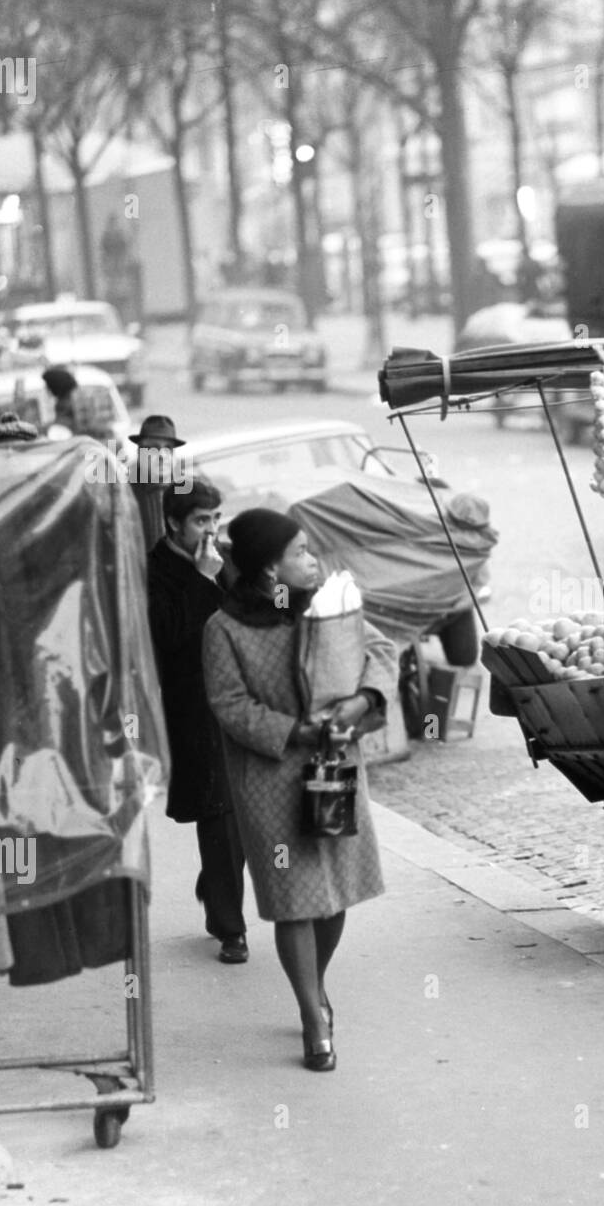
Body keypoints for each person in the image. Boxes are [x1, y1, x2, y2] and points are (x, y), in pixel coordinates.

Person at [202, 509, 397, 1071]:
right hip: (269, 779)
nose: (313, 561)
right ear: (269, 567)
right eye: (301, 552)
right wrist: (296, 730)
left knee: (332, 894)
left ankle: (316, 986)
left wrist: (363, 702)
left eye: (311, 551)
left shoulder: (329, 605)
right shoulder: (224, 629)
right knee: (294, 900)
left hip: (333, 764)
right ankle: (313, 1017)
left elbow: (379, 653)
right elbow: (230, 705)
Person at [147, 476, 250, 964]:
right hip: (193, 706)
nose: (211, 530)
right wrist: (202, 582)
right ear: (173, 523)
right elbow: (168, 638)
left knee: (243, 811)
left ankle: (216, 883)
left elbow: (255, 609)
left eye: (216, 518)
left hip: (243, 703)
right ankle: (231, 928)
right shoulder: (156, 570)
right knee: (218, 810)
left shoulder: (227, 557)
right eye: (200, 521)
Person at [129, 414, 186, 552]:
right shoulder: (124, 493)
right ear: (139, 453)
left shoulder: (187, 491)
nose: (161, 456)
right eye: (153, 449)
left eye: (168, 449)